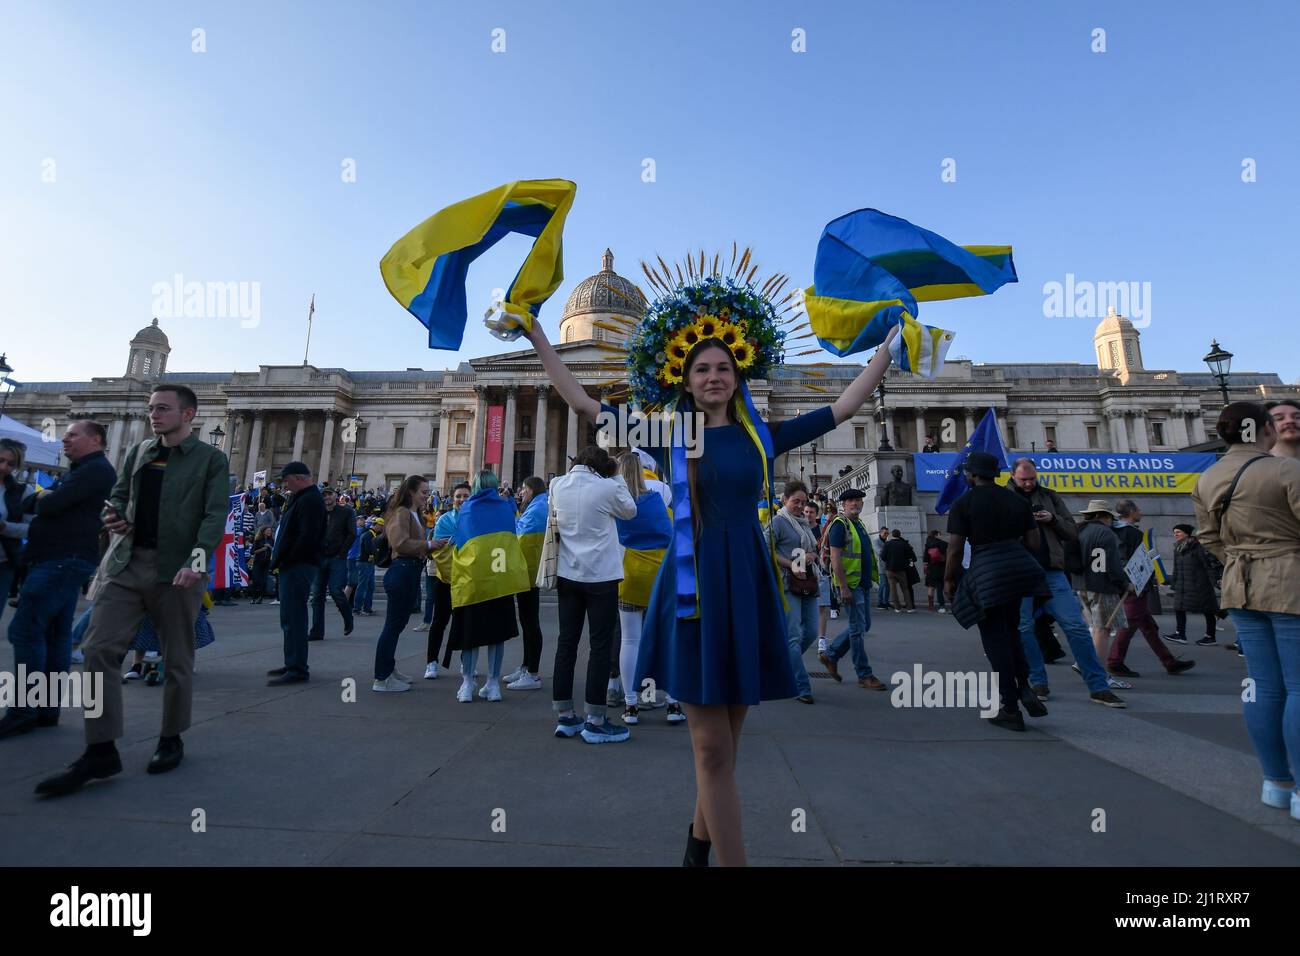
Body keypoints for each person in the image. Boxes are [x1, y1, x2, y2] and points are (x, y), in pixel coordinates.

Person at [526, 282, 899, 864]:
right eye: (701, 369)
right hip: (691, 588)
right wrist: (536, 334)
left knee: (727, 746)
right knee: (711, 752)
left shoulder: (761, 434)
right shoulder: (672, 433)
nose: (713, 377)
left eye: (723, 367)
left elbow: (842, 408)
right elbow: (582, 404)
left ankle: (696, 848)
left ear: (738, 372)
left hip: (746, 583)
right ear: (686, 378)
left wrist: (885, 352)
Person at [34, 387, 228, 794]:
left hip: (177, 568)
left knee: (177, 658)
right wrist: (114, 514)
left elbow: (215, 515)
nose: (154, 415)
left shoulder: (211, 459)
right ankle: (100, 748)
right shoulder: (139, 452)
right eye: (151, 408)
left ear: (189, 413)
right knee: (97, 649)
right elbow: (119, 496)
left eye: (163, 408)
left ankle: (170, 737)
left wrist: (197, 562)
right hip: (127, 562)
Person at [1191, 401, 1300, 820]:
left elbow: (1208, 538)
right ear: (1263, 429)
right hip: (1289, 580)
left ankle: (1275, 782)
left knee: (1262, 686)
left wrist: (1240, 559)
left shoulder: (1207, 478)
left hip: (1239, 584)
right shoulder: (1285, 470)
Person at [1, 422, 116, 741]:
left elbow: (49, 504)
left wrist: (46, 497)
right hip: (65, 558)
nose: (63, 438)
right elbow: (46, 501)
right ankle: (46, 709)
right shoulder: (82, 470)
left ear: (95, 440)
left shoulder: (94, 471)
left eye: (72, 434)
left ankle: (23, 709)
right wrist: (47, 496)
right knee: (55, 634)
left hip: (60, 559)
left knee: (24, 630)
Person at [1004, 458, 1136, 701]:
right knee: (1023, 628)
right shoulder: (1003, 497)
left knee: (1075, 626)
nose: (1028, 483)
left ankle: (1097, 685)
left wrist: (1052, 520)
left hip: (1052, 571)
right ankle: (1037, 681)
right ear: (1012, 476)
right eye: (1024, 479)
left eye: (1032, 478)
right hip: (1019, 571)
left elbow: (1072, 531)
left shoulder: (1050, 496)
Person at [532, 443, 636, 737]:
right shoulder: (607, 487)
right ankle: (596, 720)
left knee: (566, 643)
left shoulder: (556, 484)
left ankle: (565, 715)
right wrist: (616, 477)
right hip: (601, 576)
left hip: (568, 574)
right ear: (603, 467)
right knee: (600, 647)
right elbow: (630, 511)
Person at [943, 451, 1052, 731]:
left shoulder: (964, 503)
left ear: (972, 474)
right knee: (1013, 632)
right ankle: (1024, 687)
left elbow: (955, 549)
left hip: (988, 571)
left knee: (996, 642)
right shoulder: (1017, 500)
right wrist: (1012, 553)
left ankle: (1011, 708)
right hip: (1018, 570)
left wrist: (949, 580)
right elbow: (1034, 542)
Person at [443, 470, 529, 702]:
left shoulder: (468, 508)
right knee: (496, 634)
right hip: (500, 580)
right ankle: (493, 684)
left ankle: (468, 683)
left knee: (471, 634)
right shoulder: (505, 507)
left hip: (474, 581)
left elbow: (461, 544)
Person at [613, 452, 684, 722]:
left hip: (629, 574)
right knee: (668, 637)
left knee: (630, 640)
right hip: (661, 575)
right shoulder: (659, 495)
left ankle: (631, 705)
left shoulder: (617, 502)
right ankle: (673, 703)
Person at [1109, 499, 1195, 678]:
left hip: (1134, 584)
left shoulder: (1118, 531)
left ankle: (1169, 662)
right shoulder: (1129, 533)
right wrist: (1132, 581)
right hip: (1135, 586)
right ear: (1131, 512)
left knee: (1148, 627)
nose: (1140, 512)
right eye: (1137, 509)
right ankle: (1115, 661)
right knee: (1130, 624)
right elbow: (1126, 559)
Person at [819, 488, 887, 690]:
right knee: (857, 629)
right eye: (851, 501)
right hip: (850, 585)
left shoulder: (860, 524)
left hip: (863, 584)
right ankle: (864, 674)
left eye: (858, 500)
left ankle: (830, 655)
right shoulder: (840, 525)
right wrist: (843, 587)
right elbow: (835, 558)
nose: (856, 504)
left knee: (863, 626)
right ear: (844, 504)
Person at [372, 475, 434, 692]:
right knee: (392, 626)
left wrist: (431, 548)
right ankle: (381, 678)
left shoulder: (416, 515)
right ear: (411, 492)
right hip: (402, 571)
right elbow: (400, 544)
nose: (427, 496)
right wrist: (428, 543)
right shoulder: (402, 513)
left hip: (410, 571)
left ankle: (389, 669)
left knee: (397, 626)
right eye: (424, 492)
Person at [266, 462, 326, 686]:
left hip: (298, 565)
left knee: (294, 617)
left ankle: (297, 668)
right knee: (290, 617)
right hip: (295, 564)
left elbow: (307, 537)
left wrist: (285, 559)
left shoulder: (309, 500)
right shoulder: (304, 498)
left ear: (299, 478)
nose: (285, 485)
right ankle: (292, 662)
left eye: (287, 480)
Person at [1072, 500, 1132, 704]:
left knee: (1092, 627)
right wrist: (1124, 583)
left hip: (1081, 583)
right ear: (1104, 516)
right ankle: (1097, 672)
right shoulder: (1106, 534)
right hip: (1103, 585)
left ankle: (1086, 664)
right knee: (1103, 629)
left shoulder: (1080, 530)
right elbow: (1112, 564)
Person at [773, 481, 822, 704]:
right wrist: (791, 564)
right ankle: (802, 686)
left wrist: (810, 556)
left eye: (803, 502)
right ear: (785, 500)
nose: (800, 506)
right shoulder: (778, 522)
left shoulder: (804, 524)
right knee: (793, 636)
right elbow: (766, 549)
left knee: (811, 632)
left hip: (808, 582)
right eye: (796, 501)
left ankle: (783, 664)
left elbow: (812, 549)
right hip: (788, 584)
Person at [507, 475, 549, 690]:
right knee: (527, 621)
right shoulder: (537, 505)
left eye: (524, 488)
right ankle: (526, 665)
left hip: (529, 572)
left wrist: (509, 518)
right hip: (529, 571)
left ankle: (532, 672)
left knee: (530, 622)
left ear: (532, 489)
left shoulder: (539, 508)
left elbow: (520, 534)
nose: (521, 492)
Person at [424, 483, 468, 678]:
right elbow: (439, 551)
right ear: (452, 498)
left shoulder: (476, 520)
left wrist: (454, 543)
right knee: (439, 622)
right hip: (445, 579)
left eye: (466, 496)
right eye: (458, 496)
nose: (462, 499)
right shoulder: (444, 521)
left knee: (466, 624)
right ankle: (431, 662)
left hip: (468, 581)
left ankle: (466, 663)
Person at [0, 438, 37, 634]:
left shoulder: (24, 492)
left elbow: (31, 528)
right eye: (1, 460)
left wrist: (5, 527)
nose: (4, 467)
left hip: (3, 562)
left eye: (11, 464)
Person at [309, 488, 355, 641]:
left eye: (329, 494)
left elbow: (352, 534)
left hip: (337, 557)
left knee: (336, 591)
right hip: (320, 557)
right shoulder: (317, 513)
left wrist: (342, 552)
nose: (327, 497)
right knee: (317, 596)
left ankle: (348, 617)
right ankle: (317, 631)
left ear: (336, 495)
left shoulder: (346, 512)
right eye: (324, 495)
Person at [1165, 524, 1223, 646]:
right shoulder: (1177, 548)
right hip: (1182, 584)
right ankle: (1180, 634)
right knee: (1179, 608)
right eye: (1174, 532)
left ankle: (1210, 636)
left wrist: (1216, 581)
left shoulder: (1199, 547)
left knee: (1208, 609)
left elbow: (1209, 566)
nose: (1175, 534)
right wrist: (1173, 583)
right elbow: (1176, 568)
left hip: (1200, 584)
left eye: (1178, 532)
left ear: (1187, 534)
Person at [804, 501, 832, 653]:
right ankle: (804, 635)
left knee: (821, 608)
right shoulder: (798, 527)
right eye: (806, 512)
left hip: (820, 572)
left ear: (816, 514)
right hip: (802, 573)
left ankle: (822, 639)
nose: (808, 514)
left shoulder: (822, 530)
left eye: (811, 512)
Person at [882, 529, 917, 612]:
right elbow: (911, 556)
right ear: (900, 535)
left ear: (892, 535)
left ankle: (897, 608)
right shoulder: (904, 544)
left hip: (890, 569)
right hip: (901, 569)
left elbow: (883, 557)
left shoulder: (887, 544)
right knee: (905, 588)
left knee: (893, 589)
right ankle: (909, 607)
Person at [353, 518, 379, 616]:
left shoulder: (370, 534)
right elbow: (369, 549)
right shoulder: (368, 535)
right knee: (362, 586)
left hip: (368, 563)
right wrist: (374, 555)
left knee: (370, 586)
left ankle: (367, 608)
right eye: (381, 526)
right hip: (365, 562)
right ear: (377, 525)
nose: (382, 528)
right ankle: (357, 609)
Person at [922, 530, 947, 613]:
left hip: (931, 569)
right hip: (942, 568)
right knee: (941, 587)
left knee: (931, 586)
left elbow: (925, 559)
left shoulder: (928, 544)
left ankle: (931, 605)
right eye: (940, 534)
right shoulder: (943, 543)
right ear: (937, 535)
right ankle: (943, 605)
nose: (941, 536)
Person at [249, 526, 274, 603]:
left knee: (264, 581)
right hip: (258, 563)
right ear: (263, 531)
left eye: (270, 531)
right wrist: (262, 549)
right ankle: (253, 598)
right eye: (268, 530)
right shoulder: (258, 540)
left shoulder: (271, 540)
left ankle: (260, 598)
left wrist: (269, 547)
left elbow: (274, 549)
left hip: (266, 563)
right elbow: (252, 552)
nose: (269, 532)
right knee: (255, 580)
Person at [874, 526, 892, 609]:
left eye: (887, 533)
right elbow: (879, 552)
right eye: (885, 533)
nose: (886, 535)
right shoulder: (876, 541)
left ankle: (886, 601)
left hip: (888, 567)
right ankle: (880, 602)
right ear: (880, 533)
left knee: (888, 585)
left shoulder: (888, 542)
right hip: (881, 566)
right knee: (883, 584)